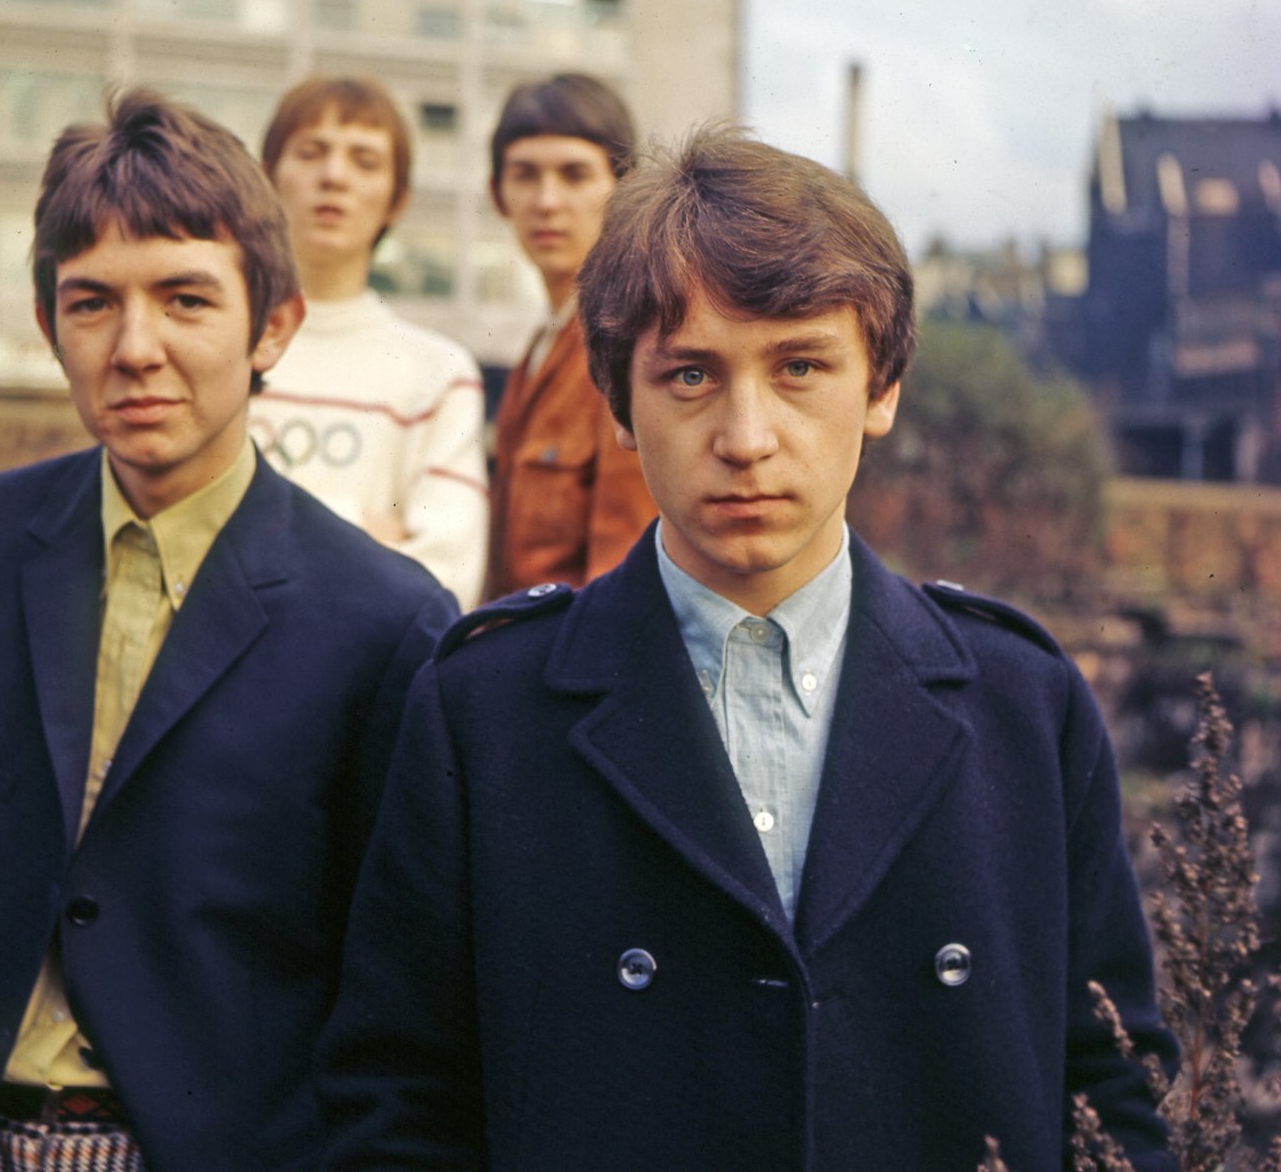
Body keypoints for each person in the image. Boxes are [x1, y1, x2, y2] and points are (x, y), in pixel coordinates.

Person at [316, 127, 1176, 1170]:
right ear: (620, 404)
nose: (747, 435)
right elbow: (397, 1103)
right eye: (689, 376)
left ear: (883, 386)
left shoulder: (1022, 706)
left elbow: (1115, 1091)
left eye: (801, 366)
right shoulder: (484, 710)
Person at [0, 89, 457, 1172]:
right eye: (91, 303)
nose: (136, 348)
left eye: (185, 300)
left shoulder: (383, 622)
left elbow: (392, 989)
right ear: (47, 325)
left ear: (274, 325)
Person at [251, 75, 488, 607]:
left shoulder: (439, 372)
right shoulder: (217, 349)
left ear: (397, 200)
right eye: (311, 152)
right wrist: (362, 526)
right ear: (266, 180)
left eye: (365, 160)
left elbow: (446, 581)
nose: (333, 176)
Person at [483, 72, 656, 599]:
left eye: (574, 175)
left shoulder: (625, 339)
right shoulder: (544, 342)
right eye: (526, 175)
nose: (547, 201)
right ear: (498, 194)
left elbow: (621, 566)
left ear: (624, 187)